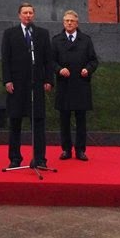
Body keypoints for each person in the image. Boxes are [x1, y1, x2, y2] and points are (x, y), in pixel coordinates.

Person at [1, 2, 53, 169]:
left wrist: (48, 80)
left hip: (36, 85)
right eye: (25, 13)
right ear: (19, 15)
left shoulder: (42, 34)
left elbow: (48, 60)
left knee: (38, 122)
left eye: (30, 12)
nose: (28, 15)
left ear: (34, 15)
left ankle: (40, 159)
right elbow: (5, 60)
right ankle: (15, 158)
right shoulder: (10, 34)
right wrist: (7, 80)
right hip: (16, 86)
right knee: (15, 122)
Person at [51, 10, 99, 161]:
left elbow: (93, 60)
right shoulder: (57, 40)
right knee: (64, 120)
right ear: (63, 23)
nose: (69, 23)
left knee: (81, 120)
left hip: (81, 84)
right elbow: (51, 61)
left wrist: (88, 69)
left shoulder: (85, 40)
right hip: (64, 84)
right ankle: (66, 149)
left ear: (77, 23)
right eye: (66, 21)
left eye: (72, 21)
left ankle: (80, 150)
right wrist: (59, 69)